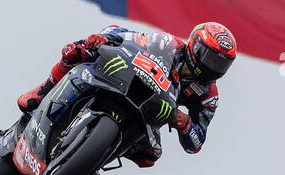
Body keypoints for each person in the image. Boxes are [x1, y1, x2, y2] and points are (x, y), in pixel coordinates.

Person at [15, 21, 236, 166]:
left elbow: (196, 144)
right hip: (123, 79)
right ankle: (43, 92)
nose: (213, 67)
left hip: (150, 113)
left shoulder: (208, 96)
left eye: (221, 64)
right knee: (76, 52)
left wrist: (185, 123)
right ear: (196, 47)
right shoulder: (168, 44)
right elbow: (127, 36)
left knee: (149, 157)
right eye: (211, 58)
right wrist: (104, 39)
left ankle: (97, 153)